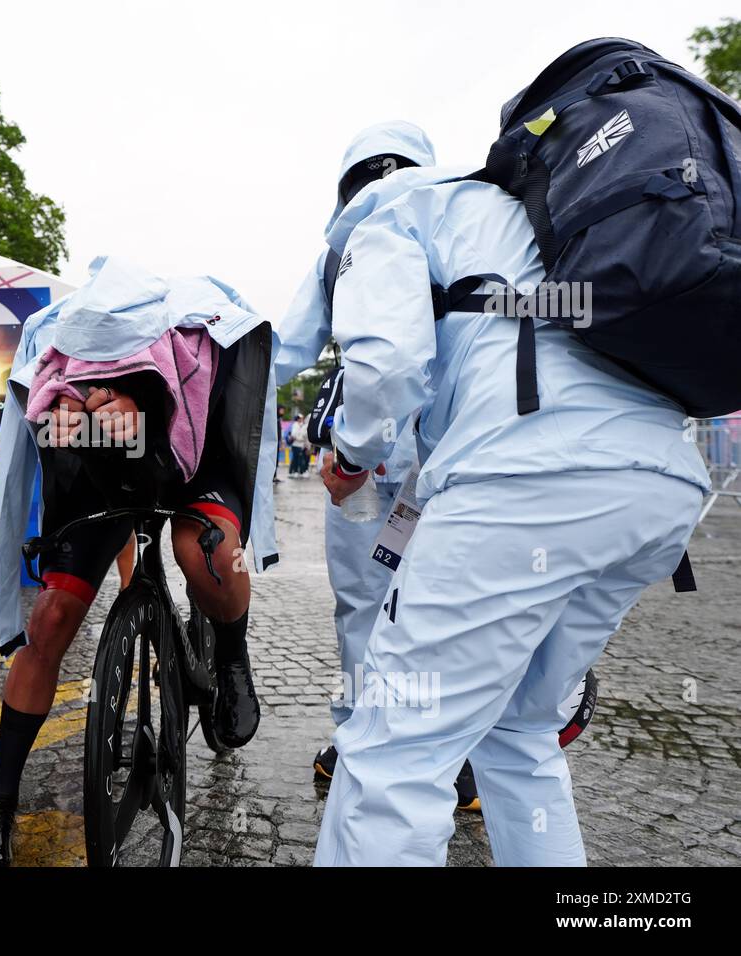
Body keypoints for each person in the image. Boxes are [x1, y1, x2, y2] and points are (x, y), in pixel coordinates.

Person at [312, 123, 709, 866]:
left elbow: (385, 362)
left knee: (398, 750)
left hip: (525, 477)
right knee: (522, 734)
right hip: (662, 478)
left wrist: (354, 457)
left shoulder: (391, 214)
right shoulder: (544, 203)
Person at [0, 256, 280, 866]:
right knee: (52, 619)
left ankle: (232, 655)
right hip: (101, 477)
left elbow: (244, 437)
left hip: (199, 458)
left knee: (206, 552)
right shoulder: (53, 348)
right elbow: (23, 463)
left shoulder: (197, 337)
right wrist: (71, 424)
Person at [272, 122, 492, 805]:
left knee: (365, 607)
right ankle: (465, 757)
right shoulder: (473, 222)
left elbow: (284, 350)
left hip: (371, 464)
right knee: (467, 605)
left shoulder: (343, 252)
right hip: (465, 454)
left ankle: (358, 744)